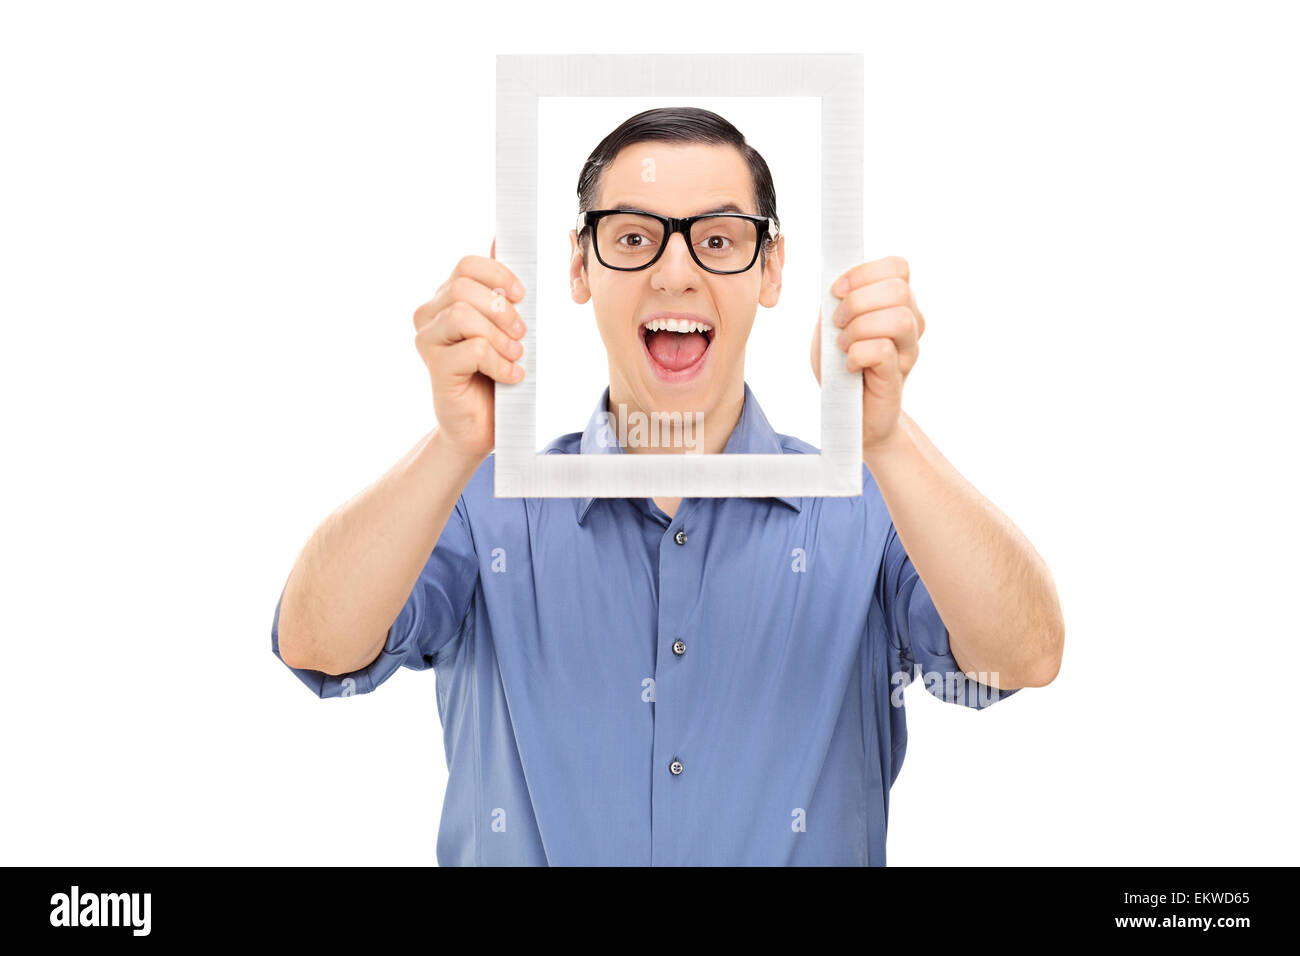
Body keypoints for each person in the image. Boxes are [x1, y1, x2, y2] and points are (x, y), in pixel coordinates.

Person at [270, 107, 1064, 865]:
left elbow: (1021, 656)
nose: (674, 273)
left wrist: (887, 439)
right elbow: (319, 647)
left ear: (772, 269)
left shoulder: (871, 508)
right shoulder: (480, 507)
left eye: (719, 239)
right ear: (579, 266)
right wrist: (451, 448)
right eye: (634, 238)